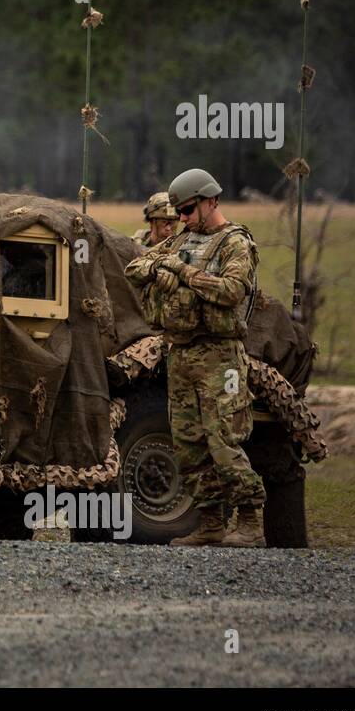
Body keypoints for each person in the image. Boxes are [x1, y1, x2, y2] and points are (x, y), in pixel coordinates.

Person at [124, 169, 266, 547]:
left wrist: (183, 273)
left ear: (210, 201)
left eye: (187, 210)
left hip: (219, 356)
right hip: (181, 351)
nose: (181, 219)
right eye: (178, 213)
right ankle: (210, 523)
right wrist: (160, 268)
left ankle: (251, 521)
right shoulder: (182, 238)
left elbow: (232, 290)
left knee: (223, 439)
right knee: (188, 443)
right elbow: (133, 268)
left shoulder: (234, 243)